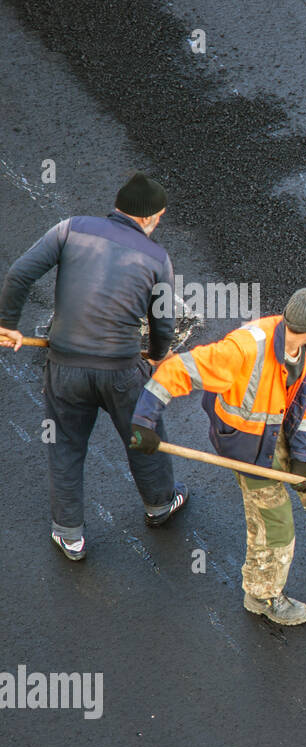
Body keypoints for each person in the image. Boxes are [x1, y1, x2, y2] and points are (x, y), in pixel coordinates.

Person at [129, 287, 306, 626]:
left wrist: (302, 456)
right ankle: (262, 596)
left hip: (288, 424)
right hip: (248, 442)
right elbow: (177, 370)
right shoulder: (245, 348)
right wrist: (143, 422)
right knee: (274, 522)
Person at [0, 172, 188, 560]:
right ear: (154, 216)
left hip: (65, 367)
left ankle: (69, 534)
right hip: (121, 370)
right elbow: (163, 322)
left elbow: (19, 273)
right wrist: (156, 356)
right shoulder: (157, 258)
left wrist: (7, 324)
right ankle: (159, 505)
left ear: (118, 207)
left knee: (66, 445)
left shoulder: (70, 229)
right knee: (142, 435)